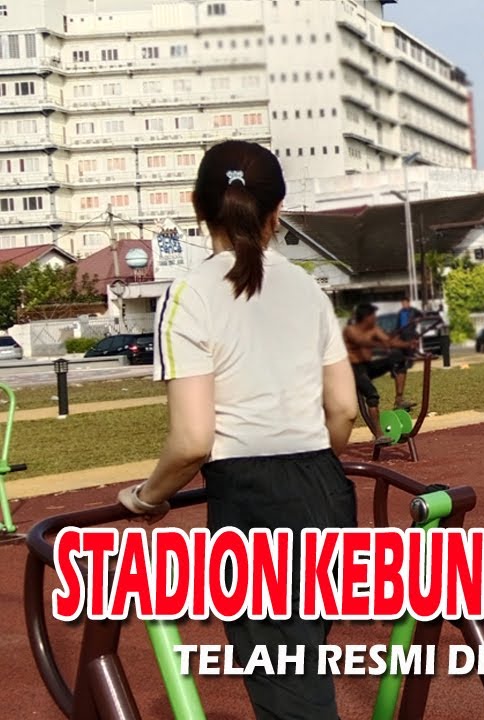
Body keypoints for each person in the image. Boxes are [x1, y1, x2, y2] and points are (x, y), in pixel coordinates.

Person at [115, 140, 359, 719]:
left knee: (286, 686)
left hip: (253, 501)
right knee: (300, 661)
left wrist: (147, 497)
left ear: (200, 210)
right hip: (324, 488)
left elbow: (193, 440)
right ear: (277, 212)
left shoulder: (191, 294)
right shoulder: (307, 287)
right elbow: (344, 411)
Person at [344, 303, 419, 443]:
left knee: (398, 358)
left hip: (368, 366)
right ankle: (379, 435)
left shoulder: (374, 329)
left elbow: (388, 341)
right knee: (372, 395)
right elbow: (362, 342)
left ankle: (399, 400)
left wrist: (407, 344)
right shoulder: (350, 330)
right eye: (372, 316)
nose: (375, 319)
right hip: (353, 369)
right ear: (365, 317)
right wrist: (381, 343)